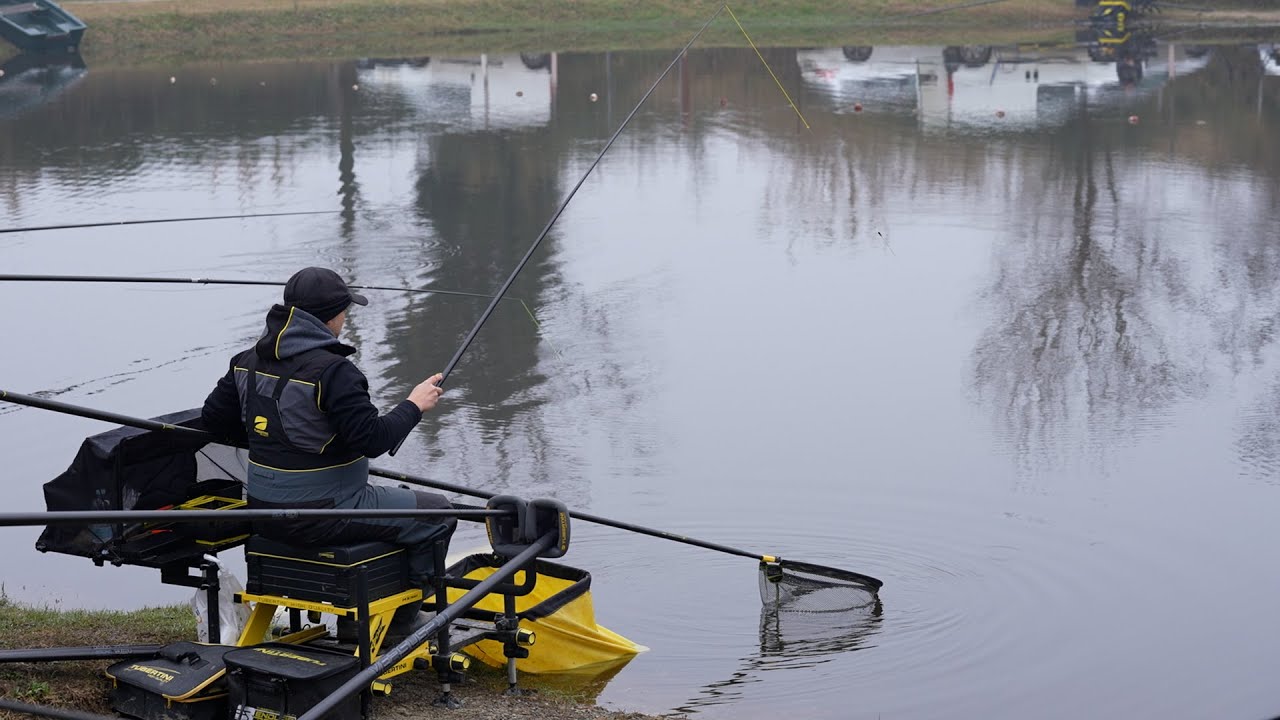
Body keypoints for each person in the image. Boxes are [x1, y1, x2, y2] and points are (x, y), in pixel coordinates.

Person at [201, 266, 453, 638]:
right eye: (345, 312)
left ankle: (361, 615)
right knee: (437, 515)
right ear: (333, 316)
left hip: (261, 510)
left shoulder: (246, 361)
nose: (345, 319)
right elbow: (374, 441)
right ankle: (401, 623)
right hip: (324, 514)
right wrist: (414, 405)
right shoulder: (335, 371)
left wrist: (271, 436)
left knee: (401, 506)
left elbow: (213, 421)